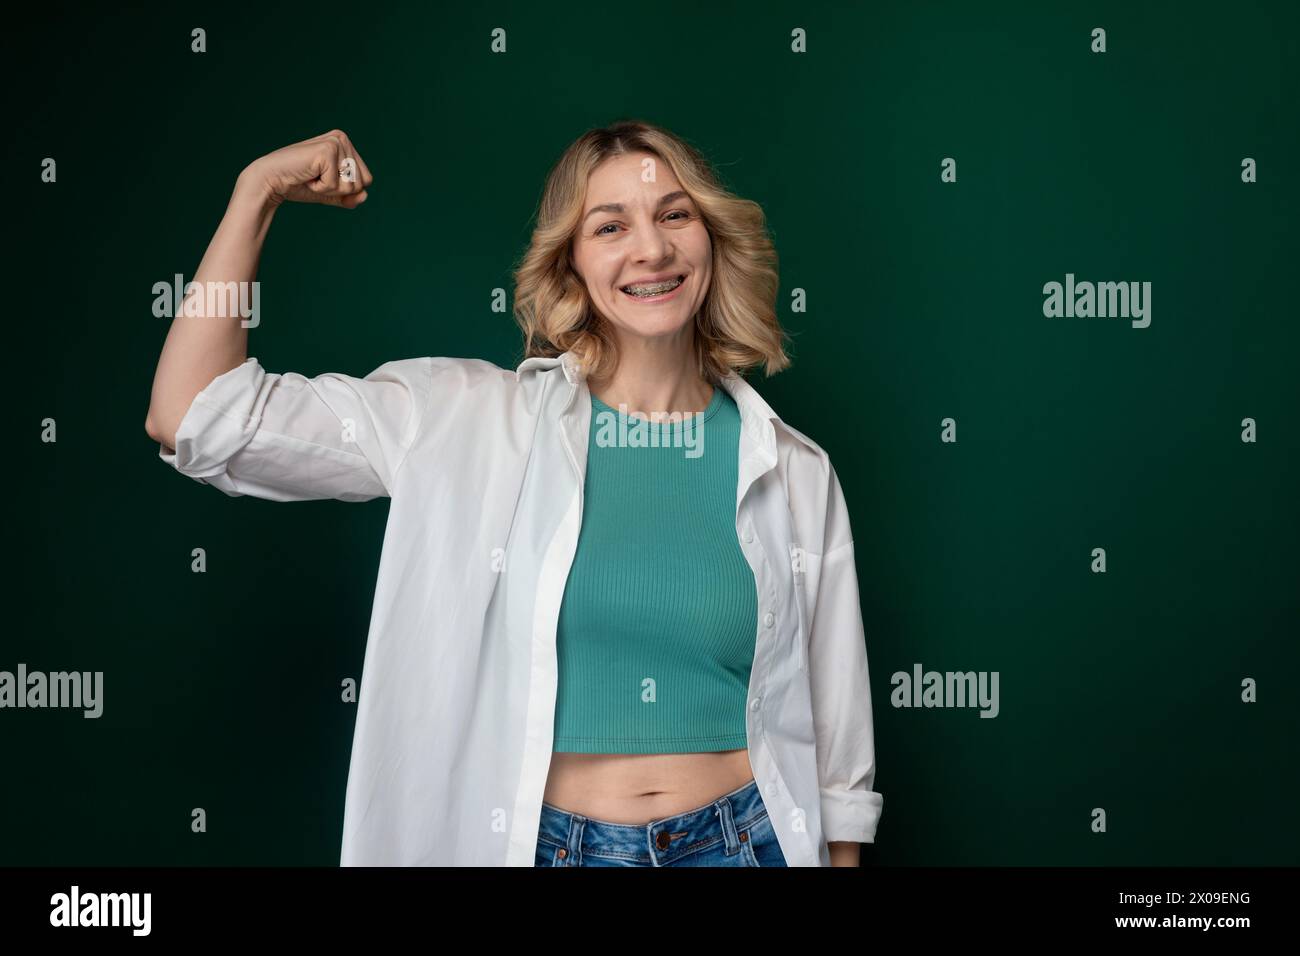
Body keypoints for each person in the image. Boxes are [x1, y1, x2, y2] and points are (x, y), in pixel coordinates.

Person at [146, 120, 883, 867]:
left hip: (745, 844)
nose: (652, 249)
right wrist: (256, 193)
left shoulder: (793, 469)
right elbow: (197, 417)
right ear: (571, 262)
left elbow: (839, 751)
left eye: (674, 215)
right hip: (544, 848)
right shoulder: (460, 420)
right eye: (610, 225)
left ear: (711, 238)